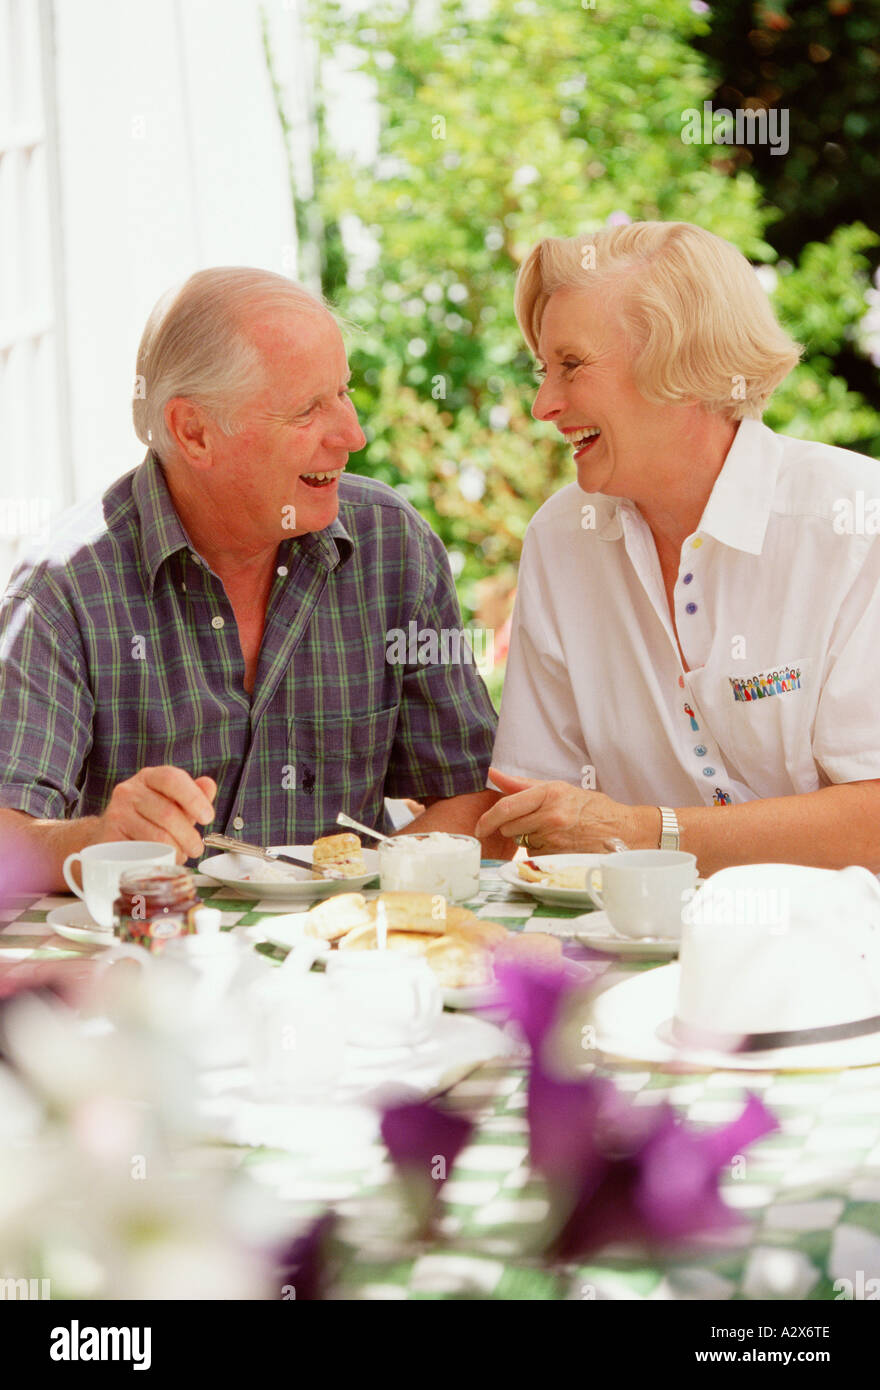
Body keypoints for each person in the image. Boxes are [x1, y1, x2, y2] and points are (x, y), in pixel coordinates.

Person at [0, 268, 502, 891]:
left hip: (344, 961)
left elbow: (473, 793)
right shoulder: (62, 589)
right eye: (306, 410)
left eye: (343, 393)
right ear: (195, 432)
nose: (353, 435)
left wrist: (365, 897)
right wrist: (97, 838)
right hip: (152, 966)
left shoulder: (391, 546)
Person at [476, 221, 880, 877]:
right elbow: (534, 814)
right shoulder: (560, 538)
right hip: (627, 955)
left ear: (683, 362)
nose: (543, 405)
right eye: (542, 370)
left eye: (572, 366)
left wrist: (647, 833)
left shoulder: (858, 523)